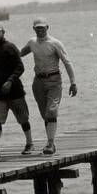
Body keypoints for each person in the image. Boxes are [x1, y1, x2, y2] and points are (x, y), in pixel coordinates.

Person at [19, 17, 77, 155]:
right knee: (45, 114)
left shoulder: (55, 43)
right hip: (38, 81)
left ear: (47, 27)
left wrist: (73, 82)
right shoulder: (32, 42)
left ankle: (50, 143)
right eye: (37, 28)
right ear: (34, 29)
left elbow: (67, 62)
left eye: (42, 27)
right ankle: (50, 141)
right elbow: (19, 54)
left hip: (54, 80)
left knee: (51, 111)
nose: (40, 30)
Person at [0, 23, 32, 158]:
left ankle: (29, 143)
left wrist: (10, 81)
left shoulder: (10, 47)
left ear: (3, 32)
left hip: (15, 90)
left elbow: (20, 67)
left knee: (23, 119)